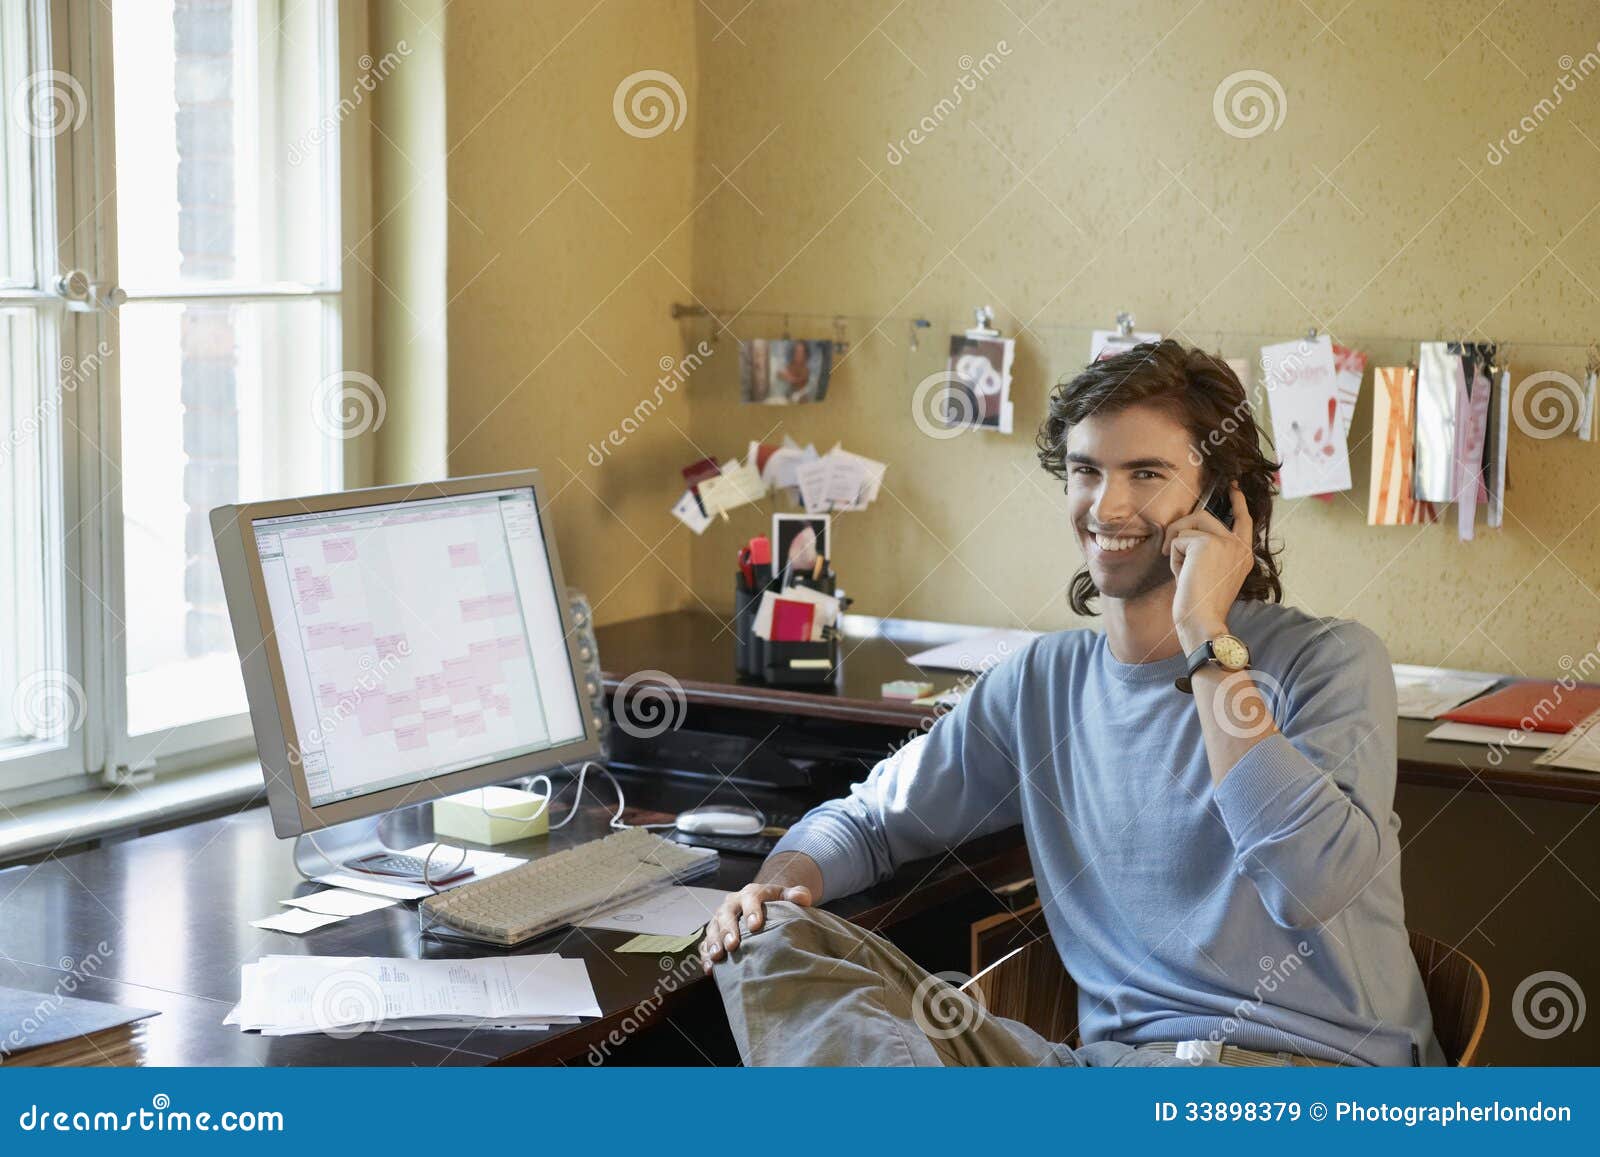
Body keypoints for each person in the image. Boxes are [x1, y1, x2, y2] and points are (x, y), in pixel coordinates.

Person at [701, 339, 1444, 1068]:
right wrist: (777, 878)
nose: (1107, 504)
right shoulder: (1039, 682)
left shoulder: (1331, 661)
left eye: (1146, 472)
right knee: (766, 939)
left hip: (1300, 1076)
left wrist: (1204, 634)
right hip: (1107, 1077)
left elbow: (1304, 886)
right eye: (1088, 471)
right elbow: (871, 822)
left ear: (1224, 501)